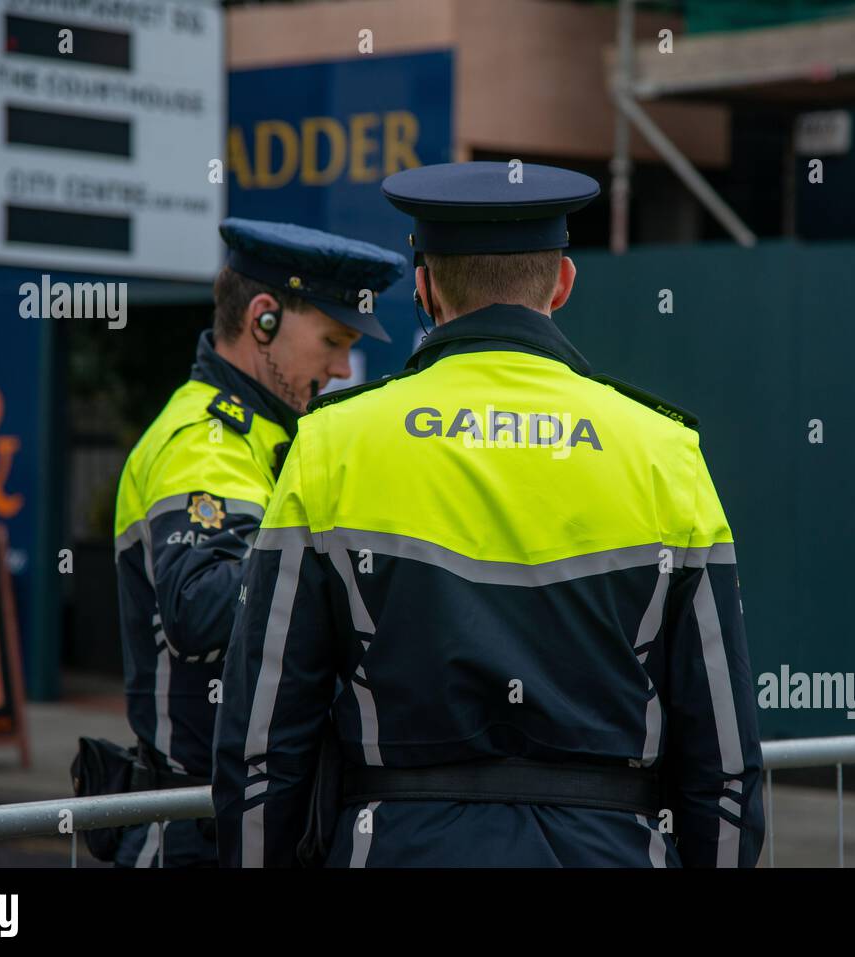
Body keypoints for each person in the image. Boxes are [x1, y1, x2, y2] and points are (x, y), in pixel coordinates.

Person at [212, 162, 763, 868]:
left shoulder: (331, 446)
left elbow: (262, 742)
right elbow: (725, 763)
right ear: (562, 283)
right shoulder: (665, 452)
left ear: (424, 286)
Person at [111, 218, 405, 867]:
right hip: (194, 827)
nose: (340, 368)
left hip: (236, 813)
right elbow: (200, 606)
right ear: (263, 318)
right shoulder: (206, 440)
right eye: (332, 341)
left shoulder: (271, 438)